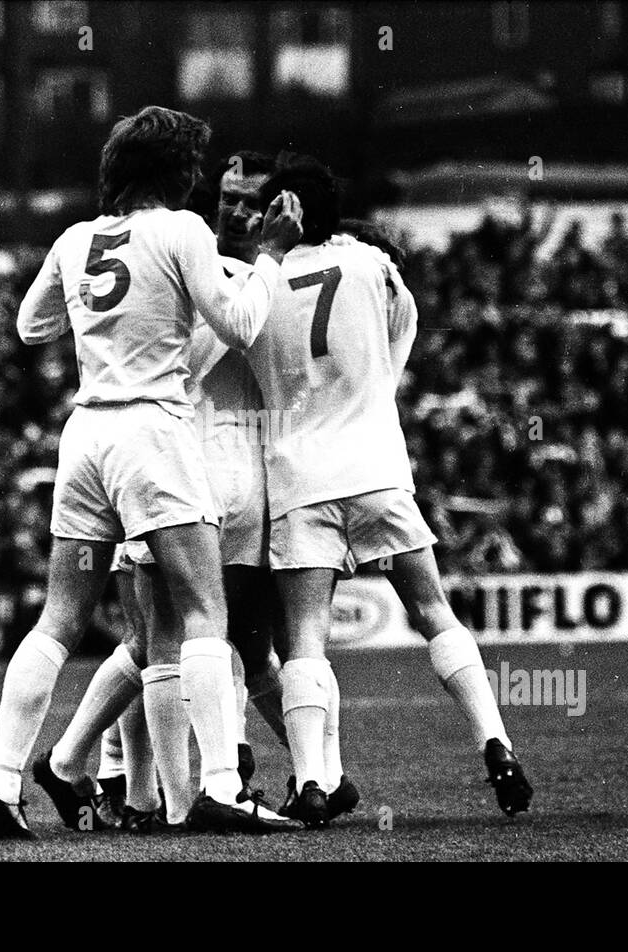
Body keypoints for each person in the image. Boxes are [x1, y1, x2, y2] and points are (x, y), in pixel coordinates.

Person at [0, 107, 304, 838]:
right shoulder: (181, 230)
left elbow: (31, 326)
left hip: (85, 434)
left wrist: (99, 319)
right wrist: (272, 257)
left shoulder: (75, 238)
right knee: (203, 610)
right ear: (174, 172)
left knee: (61, 618)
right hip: (153, 430)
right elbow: (242, 324)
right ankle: (220, 785)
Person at [242, 156, 534, 827]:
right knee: (433, 610)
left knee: (306, 638)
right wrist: (374, 387)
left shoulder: (258, 282)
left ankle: (312, 780)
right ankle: (497, 741)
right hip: (376, 465)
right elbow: (405, 325)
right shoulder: (372, 265)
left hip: (298, 476)